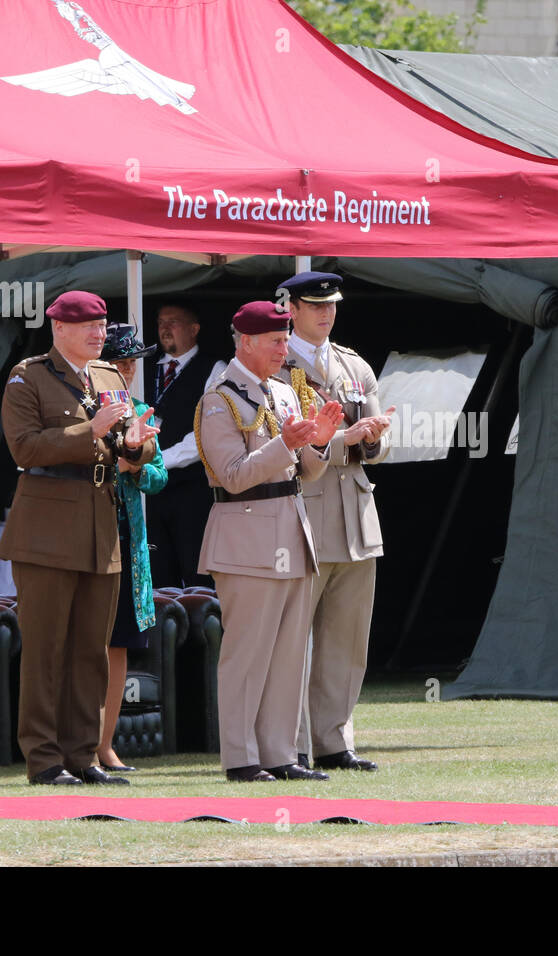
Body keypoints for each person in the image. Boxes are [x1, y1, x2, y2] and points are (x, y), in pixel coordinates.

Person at [0, 291, 159, 785]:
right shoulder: (30, 376)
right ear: (58, 328)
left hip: (101, 527)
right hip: (47, 528)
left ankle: (83, 756)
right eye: (87, 325)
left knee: (91, 649)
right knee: (47, 650)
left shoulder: (109, 375)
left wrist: (135, 447)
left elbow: (125, 448)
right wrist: (91, 431)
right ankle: (44, 760)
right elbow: (23, 446)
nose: (98, 333)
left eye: (102, 324)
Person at [196, 301, 342, 782]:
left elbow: (307, 472)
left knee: (288, 653)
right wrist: (286, 444)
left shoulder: (283, 392)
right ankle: (241, 758)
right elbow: (233, 476)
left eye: (285, 339)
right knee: (248, 654)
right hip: (246, 535)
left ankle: (281, 754)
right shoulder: (219, 398)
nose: (284, 349)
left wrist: (318, 441)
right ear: (245, 342)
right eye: (275, 341)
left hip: (291, 529)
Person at [273, 271, 393, 772]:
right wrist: (345, 439)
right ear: (292, 309)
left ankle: (335, 740)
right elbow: (283, 443)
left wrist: (371, 439)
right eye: (315, 305)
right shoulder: (276, 368)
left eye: (332, 306)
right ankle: (292, 744)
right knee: (295, 637)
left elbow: (380, 444)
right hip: (306, 508)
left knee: (346, 639)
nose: (326, 313)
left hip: (355, 514)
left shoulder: (353, 364)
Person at [97, 323, 167, 773]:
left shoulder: (142, 410)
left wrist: (135, 468)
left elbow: (160, 476)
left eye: (130, 362)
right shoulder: (85, 407)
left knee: (119, 645)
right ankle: (77, 742)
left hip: (128, 540)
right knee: (86, 644)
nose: (126, 371)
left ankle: (105, 744)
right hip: (87, 536)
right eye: (118, 362)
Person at [145, 304, 217, 588]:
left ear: (194, 329)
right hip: (151, 490)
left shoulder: (214, 369)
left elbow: (205, 435)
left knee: (197, 574)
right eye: (161, 321)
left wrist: (157, 459)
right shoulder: (144, 366)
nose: (165, 327)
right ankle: (161, 632)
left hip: (191, 491)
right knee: (158, 576)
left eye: (173, 322)